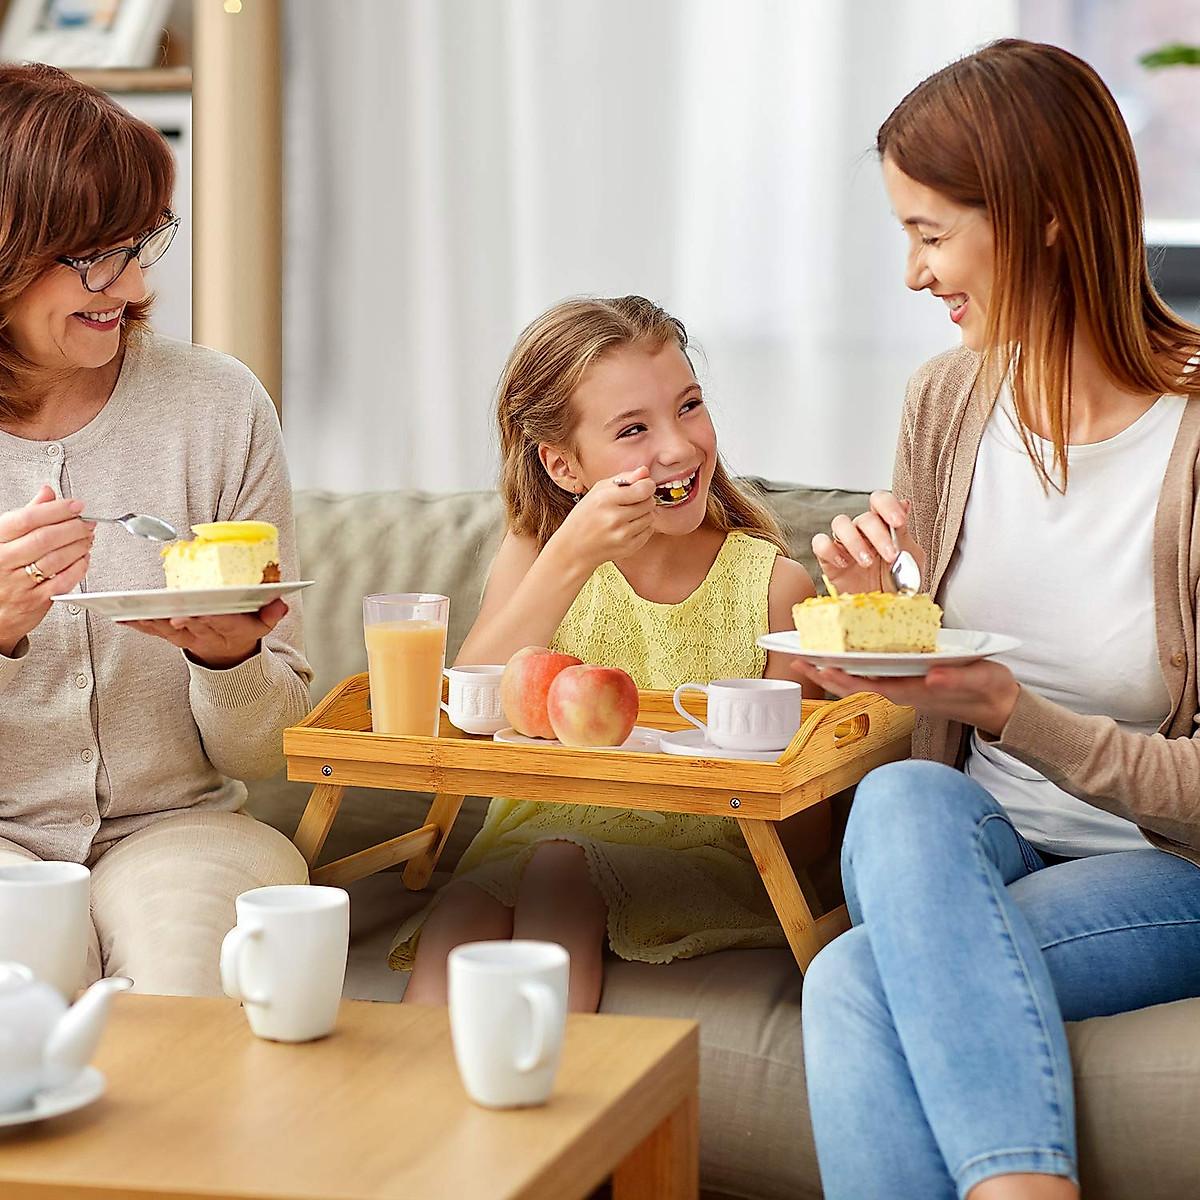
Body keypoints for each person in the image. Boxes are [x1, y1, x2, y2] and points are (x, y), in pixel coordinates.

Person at [796, 39, 1200, 1200]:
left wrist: (1016, 715)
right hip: (978, 849)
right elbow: (913, 681)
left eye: (931, 233)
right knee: (905, 793)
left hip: (1166, 869)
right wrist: (871, 623)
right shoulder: (948, 402)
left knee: (854, 981)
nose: (914, 275)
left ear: (1045, 219)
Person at [393, 294, 825, 1010]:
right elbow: (468, 712)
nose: (680, 447)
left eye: (689, 406)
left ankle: (546, 1105)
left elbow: (803, 834)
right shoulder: (538, 558)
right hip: (534, 840)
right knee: (463, 910)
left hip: (700, 854)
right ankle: (415, 1117)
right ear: (565, 468)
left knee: (559, 877)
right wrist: (568, 558)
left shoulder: (773, 585)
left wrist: (818, 684)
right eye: (633, 428)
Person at [0, 64, 311, 996]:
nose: (131, 283)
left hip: (183, 828)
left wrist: (228, 663)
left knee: (184, 986)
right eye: (94, 255)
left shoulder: (216, 406)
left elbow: (277, 751)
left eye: (140, 244)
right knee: (18, 986)